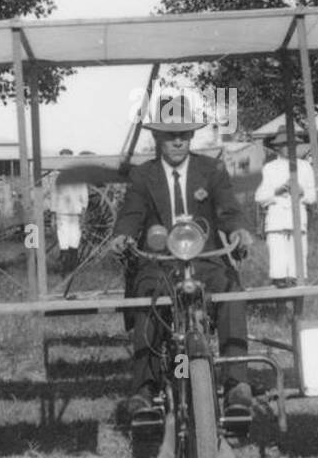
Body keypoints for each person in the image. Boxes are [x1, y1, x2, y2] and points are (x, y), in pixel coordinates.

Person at [109, 96, 256, 423]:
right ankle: (144, 390)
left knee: (231, 289)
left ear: (191, 136)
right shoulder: (141, 176)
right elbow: (131, 214)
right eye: (169, 134)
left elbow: (229, 210)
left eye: (184, 134)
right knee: (147, 297)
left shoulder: (212, 169)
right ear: (156, 137)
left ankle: (236, 384)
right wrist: (123, 236)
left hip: (204, 258)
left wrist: (238, 232)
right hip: (159, 261)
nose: (177, 141)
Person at [254, 127, 316, 322]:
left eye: (293, 145)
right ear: (278, 147)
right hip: (277, 223)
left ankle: (299, 314)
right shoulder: (269, 168)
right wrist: (278, 190)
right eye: (285, 145)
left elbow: (314, 196)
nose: (290, 148)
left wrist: (302, 192)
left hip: (299, 223)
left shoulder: (305, 166)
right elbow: (260, 197)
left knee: (299, 270)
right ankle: (280, 312)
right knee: (279, 271)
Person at [50, 149, 89, 276]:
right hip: (62, 213)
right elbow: (54, 196)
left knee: (74, 239)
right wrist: (53, 215)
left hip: (74, 214)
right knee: (64, 240)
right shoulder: (57, 177)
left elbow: (84, 195)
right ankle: (66, 269)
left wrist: (83, 210)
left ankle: (71, 269)